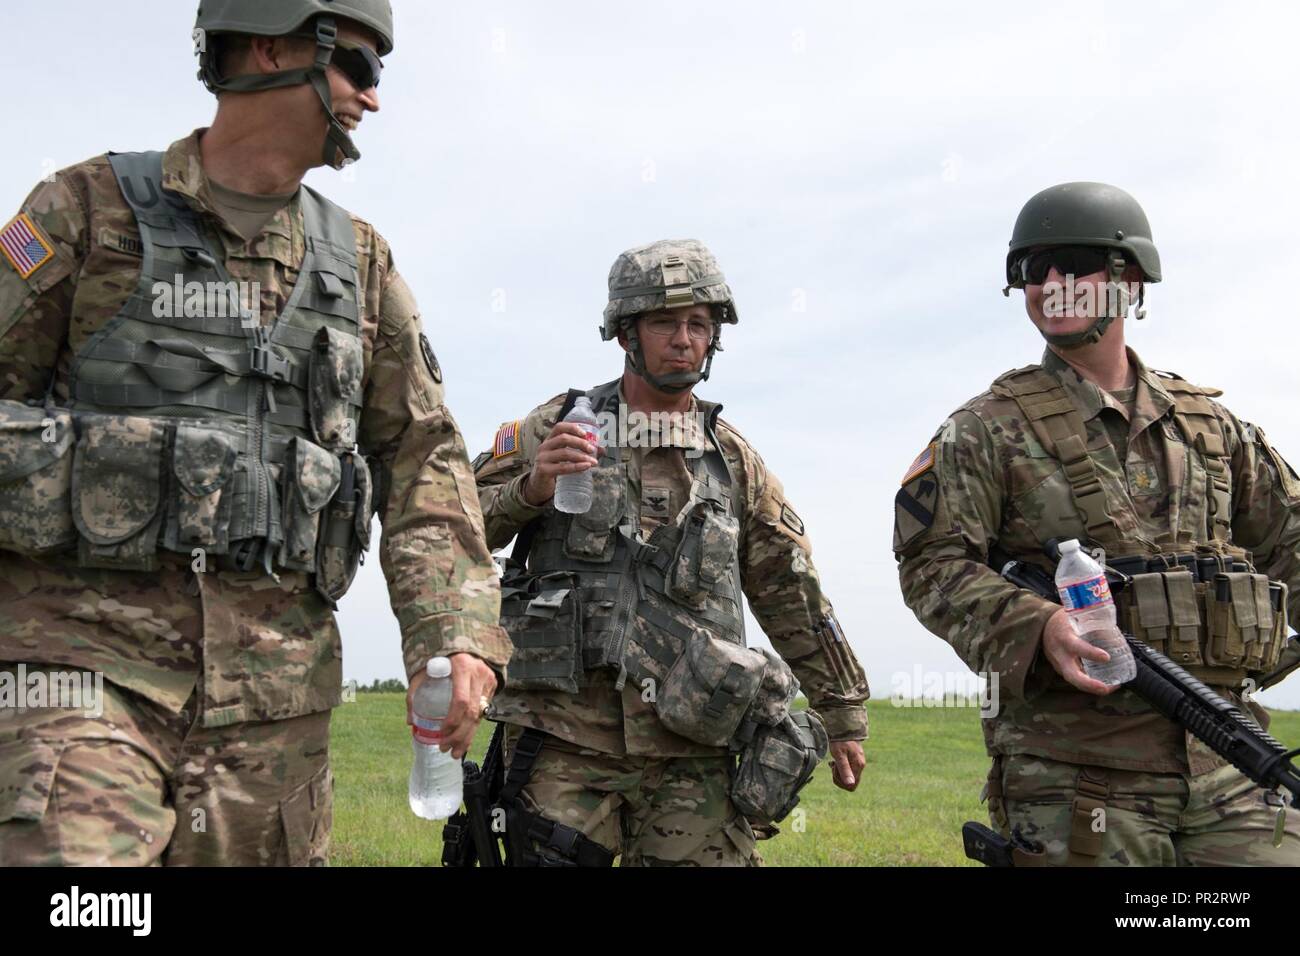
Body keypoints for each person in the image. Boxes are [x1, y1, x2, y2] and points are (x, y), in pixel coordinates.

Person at [0, 0, 508, 865]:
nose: (372, 99)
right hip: (82, 679)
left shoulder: (362, 265)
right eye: (359, 67)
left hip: (277, 711)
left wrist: (453, 628)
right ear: (272, 46)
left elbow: (425, 460)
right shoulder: (81, 210)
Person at [894, 181, 1300, 865]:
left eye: (1075, 263)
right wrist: (1037, 624)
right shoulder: (985, 430)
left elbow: (1292, 539)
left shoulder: (1211, 429)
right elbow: (932, 563)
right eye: (1033, 268)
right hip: (1076, 772)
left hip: (1231, 761)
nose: (1053, 282)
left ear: (1129, 276)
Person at [473, 239, 869, 866]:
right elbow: (458, 525)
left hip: (697, 748)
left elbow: (790, 589)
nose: (683, 339)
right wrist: (532, 488)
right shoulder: (561, 424)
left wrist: (841, 709)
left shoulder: (733, 460)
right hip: (567, 743)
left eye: (698, 325)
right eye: (664, 322)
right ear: (626, 333)